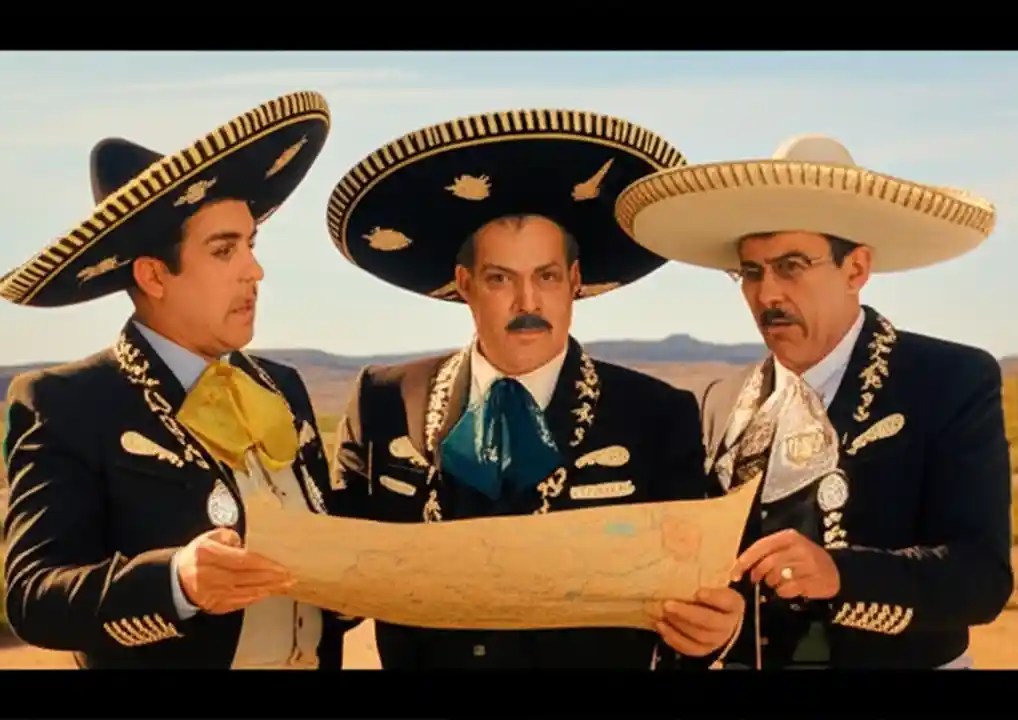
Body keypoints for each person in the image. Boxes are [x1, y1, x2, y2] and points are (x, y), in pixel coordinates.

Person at [314, 108, 747, 670]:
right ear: (466, 286)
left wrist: (715, 629)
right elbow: (338, 574)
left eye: (545, 277)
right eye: (500, 279)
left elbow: (695, 598)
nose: (528, 303)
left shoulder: (656, 414)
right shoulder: (384, 400)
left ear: (573, 283)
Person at [613, 133, 1014, 669]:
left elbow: (982, 578)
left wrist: (841, 575)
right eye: (751, 272)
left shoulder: (947, 380)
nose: (767, 293)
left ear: (856, 270)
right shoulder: (719, 403)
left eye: (791, 266)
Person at [0, 90, 356, 669]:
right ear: (154, 275)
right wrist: (175, 583)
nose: (255, 270)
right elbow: (33, 595)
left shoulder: (284, 388)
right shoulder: (68, 404)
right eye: (224, 250)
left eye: (251, 244)